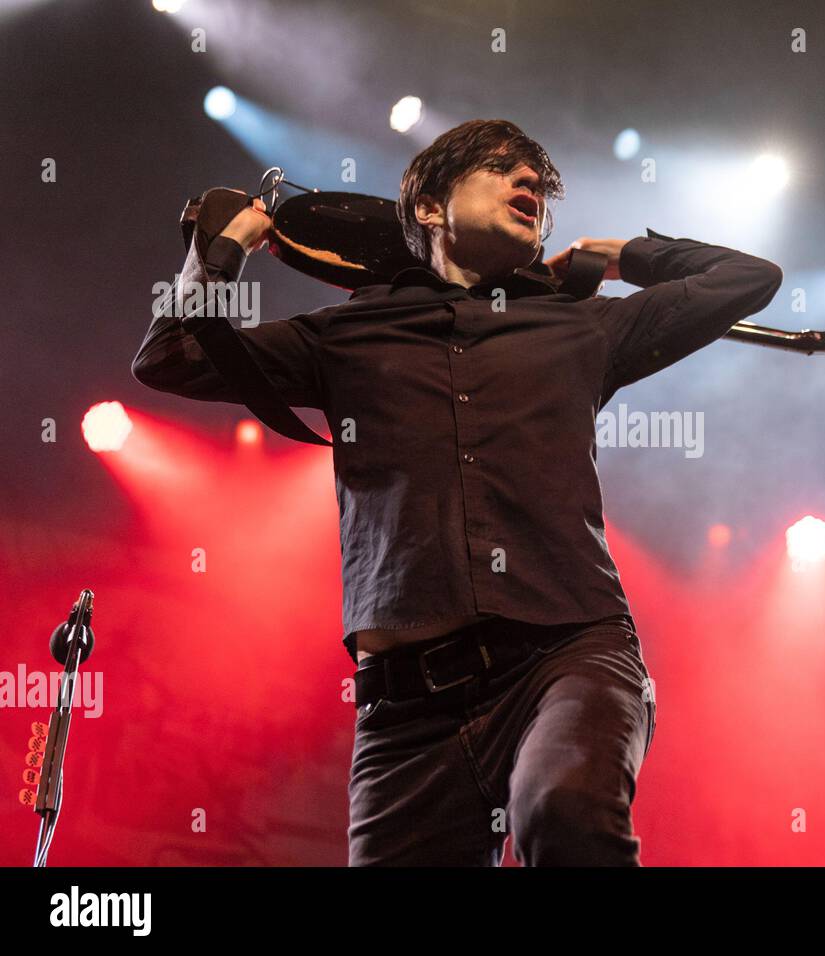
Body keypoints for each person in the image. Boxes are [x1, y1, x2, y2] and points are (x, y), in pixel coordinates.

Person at [132, 118, 783, 865]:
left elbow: (749, 278)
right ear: (431, 209)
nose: (530, 183)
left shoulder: (583, 328)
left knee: (565, 815)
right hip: (406, 712)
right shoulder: (348, 334)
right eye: (502, 169)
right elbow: (169, 357)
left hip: (564, 657)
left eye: (537, 179)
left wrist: (620, 255)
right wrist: (220, 252)